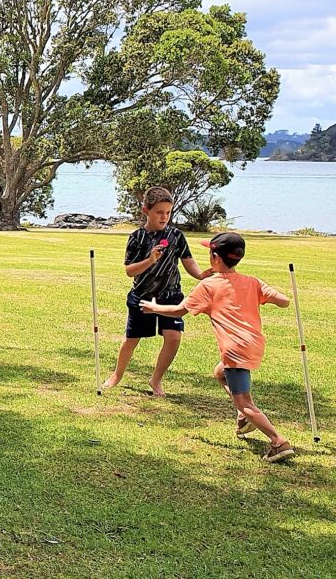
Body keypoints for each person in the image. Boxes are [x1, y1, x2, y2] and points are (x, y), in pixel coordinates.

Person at [140, 232, 296, 463]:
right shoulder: (252, 281)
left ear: (215, 257)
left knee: (243, 400)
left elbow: (180, 310)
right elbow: (283, 301)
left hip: (235, 349)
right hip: (253, 344)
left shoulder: (209, 285)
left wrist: (153, 308)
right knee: (220, 373)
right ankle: (244, 418)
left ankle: (277, 441)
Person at [104, 186, 210, 396]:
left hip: (171, 297)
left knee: (173, 338)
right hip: (142, 296)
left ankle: (156, 380)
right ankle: (117, 375)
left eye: (168, 213)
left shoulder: (176, 235)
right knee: (131, 340)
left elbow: (189, 262)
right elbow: (129, 271)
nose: (164, 217)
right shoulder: (137, 237)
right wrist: (150, 260)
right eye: (159, 212)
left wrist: (202, 274)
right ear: (146, 210)